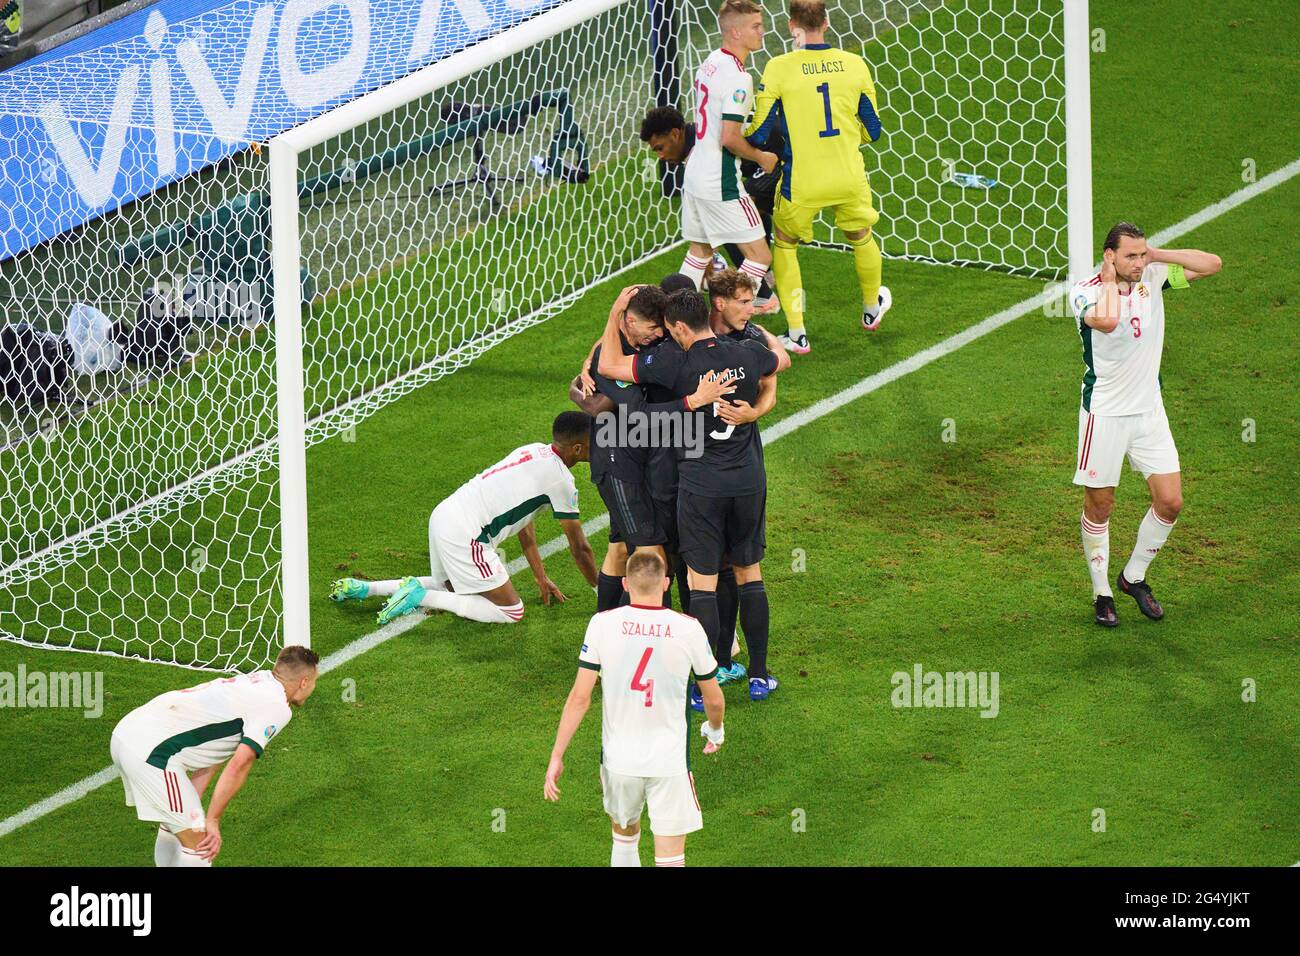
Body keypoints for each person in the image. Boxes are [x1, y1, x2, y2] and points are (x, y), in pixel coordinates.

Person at [598, 290, 781, 701]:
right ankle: (757, 674)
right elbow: (777, 363)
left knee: (703, 582)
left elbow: (608, 366)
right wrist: (758, 409)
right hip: (749, 480)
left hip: (701, 485)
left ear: (679, 327)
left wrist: (615, 314)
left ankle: (704, 686)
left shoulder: (673, 363)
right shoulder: (747, 352)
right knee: (749, 572)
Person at [1070, 221, 1221, 626]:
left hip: (1149, 412)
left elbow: (1212, 264)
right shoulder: (1085, 290)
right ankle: (1101, 591)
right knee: (1100, 505)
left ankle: (1132, 577)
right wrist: (1109, 282)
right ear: (1109, 256)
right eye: (1131, 256)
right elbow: (1104, 322)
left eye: (1142, 253)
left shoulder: (1153, 276)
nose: (1138, 262)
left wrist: (1158, 257)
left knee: (1171, 502)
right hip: (1104, 414)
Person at [544, 550, 725, 867]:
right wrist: (715, 730)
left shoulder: (603, 624)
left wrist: (557, 755)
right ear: (666, 584)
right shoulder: (688, 628)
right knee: (671, 859)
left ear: (625, 584)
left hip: (619, 760)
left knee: (624, 840)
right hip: (669, 763)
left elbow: (579, 697)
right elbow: (713, 698)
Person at [330, 412, 600, 624]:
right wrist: (602, 592)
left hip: (443, 514)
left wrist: (541, 577)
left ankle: (365, 589)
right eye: (592, 444)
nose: (597, 449)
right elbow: (579, 548)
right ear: (576, 449)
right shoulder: (562, 481)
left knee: (446, 584)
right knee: (511, 611)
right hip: (467, 534)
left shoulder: (531, 449)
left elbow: (524, 522)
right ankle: (421, 596)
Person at [746, 0, 892, 354]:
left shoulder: (779, 68)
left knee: (785, 243)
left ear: (791, 24)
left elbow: (760, 133)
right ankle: (872, 308)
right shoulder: (854, 64)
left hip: (803, 181)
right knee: (860, 236)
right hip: (847, 176)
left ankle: (797, 333)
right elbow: (874, 130)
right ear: (826, 22)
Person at [109, 645, 319, 866]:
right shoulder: (277, 707)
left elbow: (216, 748)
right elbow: (240, 763)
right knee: (201, 845)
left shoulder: (257, 680)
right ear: (304, 682)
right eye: (314, 681)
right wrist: (213, 819)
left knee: (181, 822)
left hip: (127, 732)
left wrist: (194, 798)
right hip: (153, 753)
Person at [677, 0, 779, 302]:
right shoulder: (739, 78)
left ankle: (674, 317)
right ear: (735, 32)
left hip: (694, 172)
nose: (763, 31)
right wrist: (761, 157)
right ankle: (730, 318)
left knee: (700, 252)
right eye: (756, 27)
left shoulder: (710, 61)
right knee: (760, 256)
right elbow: (730, 138)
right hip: (719, 181)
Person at [640, 106, 782, 311]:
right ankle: (762, 279)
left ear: (675, 134)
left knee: (735, 224)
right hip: (763, 160)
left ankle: (761, 297)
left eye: (660, 148)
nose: (660, 156)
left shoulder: (702, 152)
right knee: (745, 216)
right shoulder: (697, 142)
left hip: (781, 159)